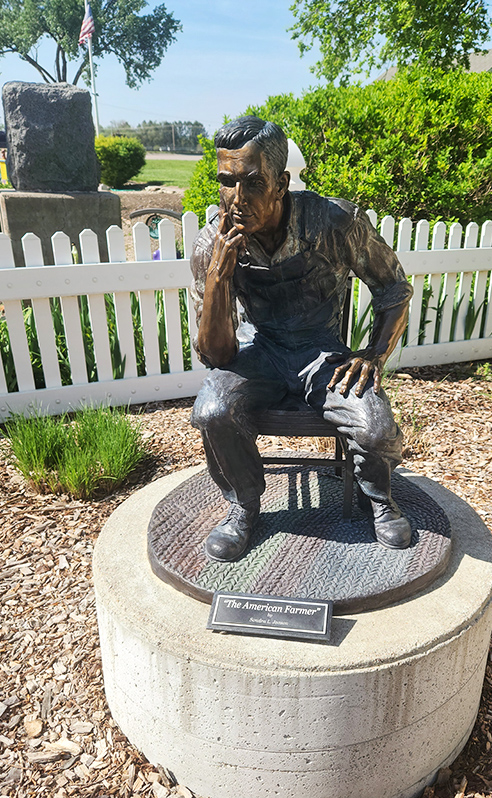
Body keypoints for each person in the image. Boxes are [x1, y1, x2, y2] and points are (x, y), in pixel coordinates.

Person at [190, 116, 414, 562]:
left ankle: (380, 498)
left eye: (252, 183)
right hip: (260, 352)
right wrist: (218, 275)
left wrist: (375, 354)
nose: (236, 200)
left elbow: (393, 288)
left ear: (281, 183)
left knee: (376, 427)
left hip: (322, 352)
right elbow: (217, 355)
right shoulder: (210, 244)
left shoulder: (335, 221)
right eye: (226, 182)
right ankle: (243, 507)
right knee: (212, 410)